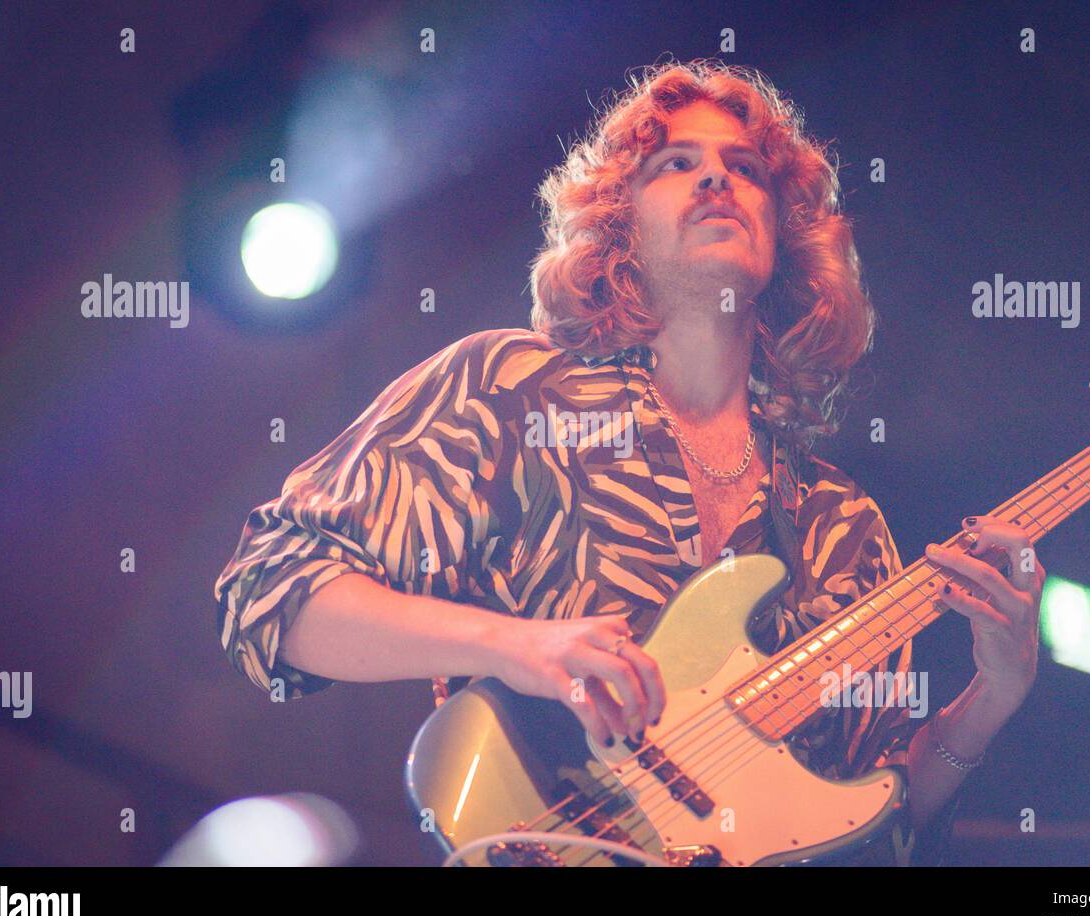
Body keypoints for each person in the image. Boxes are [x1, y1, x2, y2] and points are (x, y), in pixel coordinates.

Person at [214, 59, 1042, 866]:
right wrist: (517, 648)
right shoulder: (513, 390)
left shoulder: (843, 524)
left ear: (784, 236)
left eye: (745, 170)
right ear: (621, 227)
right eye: (677, 164)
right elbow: (272, 589)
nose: (716, 179)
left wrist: (990, 697)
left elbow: (877, 828)